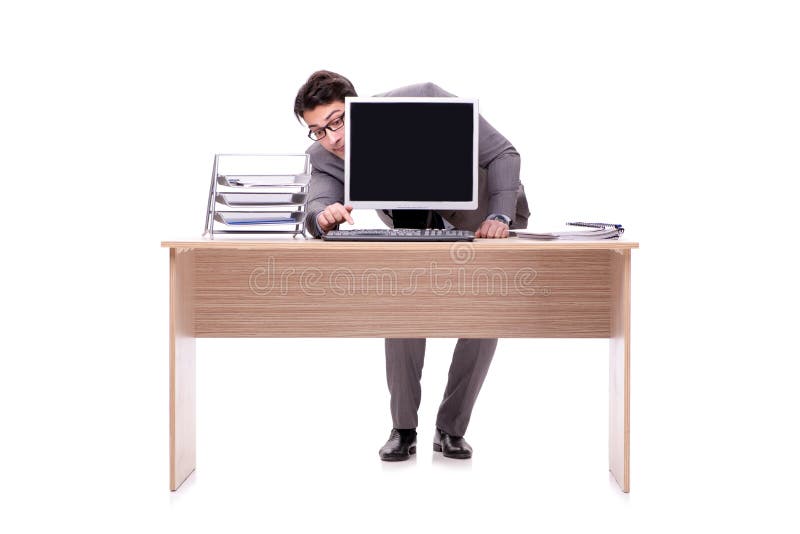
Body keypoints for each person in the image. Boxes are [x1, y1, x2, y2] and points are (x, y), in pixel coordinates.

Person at [293, 70, 529, 461]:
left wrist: (500, 217)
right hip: (417, 231)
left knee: (482, 320)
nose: (332, 138)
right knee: (402, 311)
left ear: (359, 107)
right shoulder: (323, 157)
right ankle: (403, 428)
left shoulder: (426, 99)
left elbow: (503, 153)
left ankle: (451, 429)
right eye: (318, 130)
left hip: (484, 224)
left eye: (337, 121)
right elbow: (316, 205)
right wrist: (323, 216)